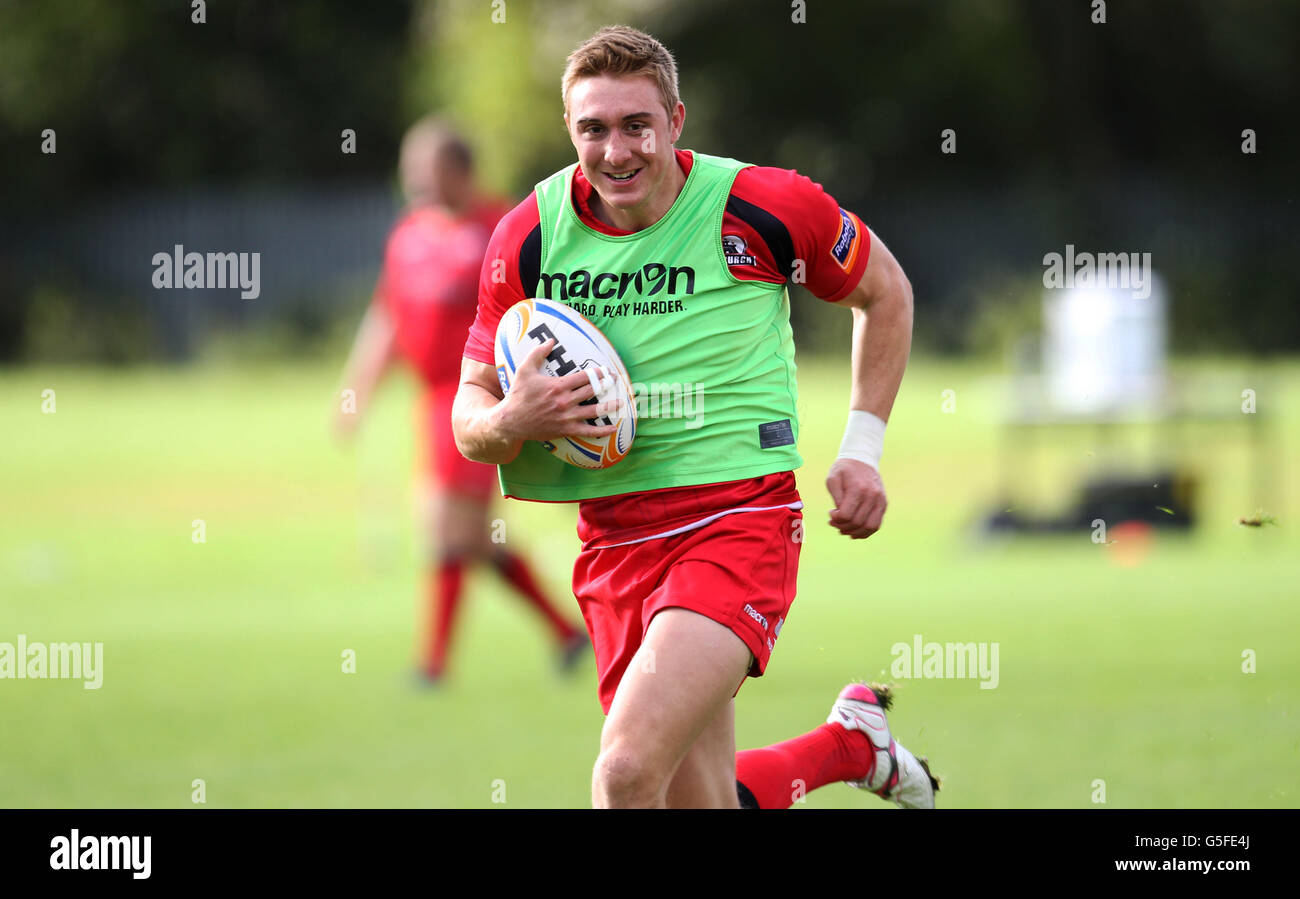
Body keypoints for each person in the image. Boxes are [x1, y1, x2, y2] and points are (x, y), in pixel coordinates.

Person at [453, 26, 938, 808]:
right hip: (612, 541)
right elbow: (467, 413)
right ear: (569, 130)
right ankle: (848, 744)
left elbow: (886, 293)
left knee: (623, 772)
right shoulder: (532, 236)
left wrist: (862, 448)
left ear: (675, 121)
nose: (616, 151)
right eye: (594, 129)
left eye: (636, 125)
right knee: (694, 800)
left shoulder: (761, 205)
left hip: (738, 521)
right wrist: (512, 417)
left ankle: (849, 743)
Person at [335, 117, 589, 684]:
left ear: (460, 171)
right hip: (429, 403)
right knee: (468, 537)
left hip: (482, 397)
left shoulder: (503, 228)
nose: (415, 185)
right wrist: (357, 390)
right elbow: (386, 317)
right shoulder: (408, 236)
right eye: (410, 174)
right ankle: (567, 634)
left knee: (445, 529)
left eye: (426, 173)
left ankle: (433, 666)